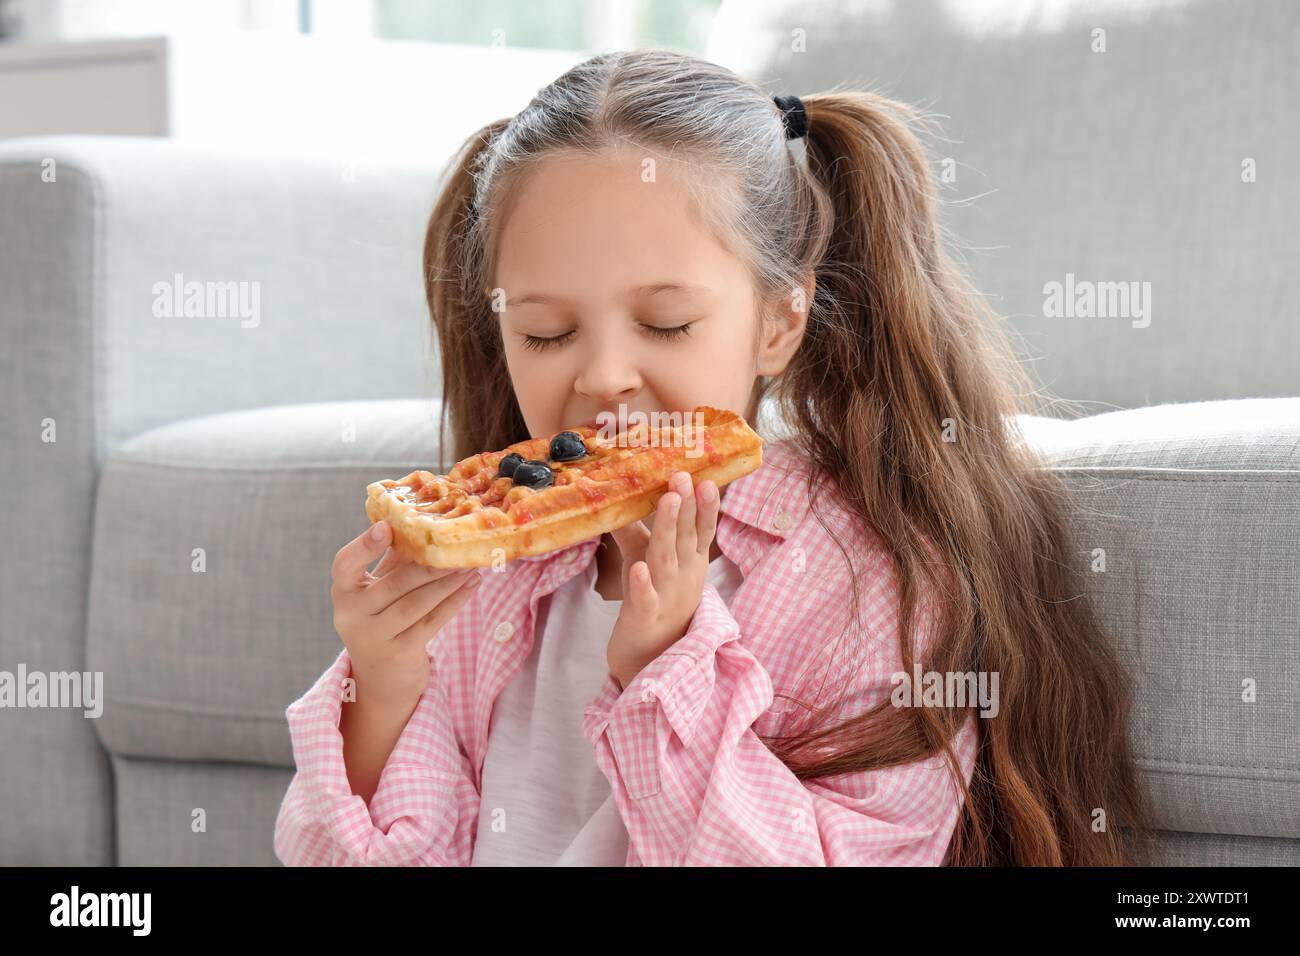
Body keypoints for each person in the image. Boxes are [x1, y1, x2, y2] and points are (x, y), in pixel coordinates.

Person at [273, 49, 1152, 866]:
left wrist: (665, 668)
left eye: (665, 324)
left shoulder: (862, 579)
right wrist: (381, 688)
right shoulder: (488, 576)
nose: (605, 377)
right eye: (546, 333)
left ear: (779, 319)